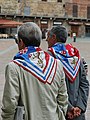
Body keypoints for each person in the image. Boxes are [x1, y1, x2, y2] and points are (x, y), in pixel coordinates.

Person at [1, 22, 68, 120]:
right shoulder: (57, 64)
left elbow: (9, 105)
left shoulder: (15, 67)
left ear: (21, 42)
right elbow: (63, 99)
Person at [46, 25, 89, 120]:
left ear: (54, 37)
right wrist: (79, 107)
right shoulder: (76, 55)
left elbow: (51, 87)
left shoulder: (49, 57)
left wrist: (69, 108)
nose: (46, 40)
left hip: (60, 112)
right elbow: (84, 84)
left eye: (48, 36)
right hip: (78, 113)